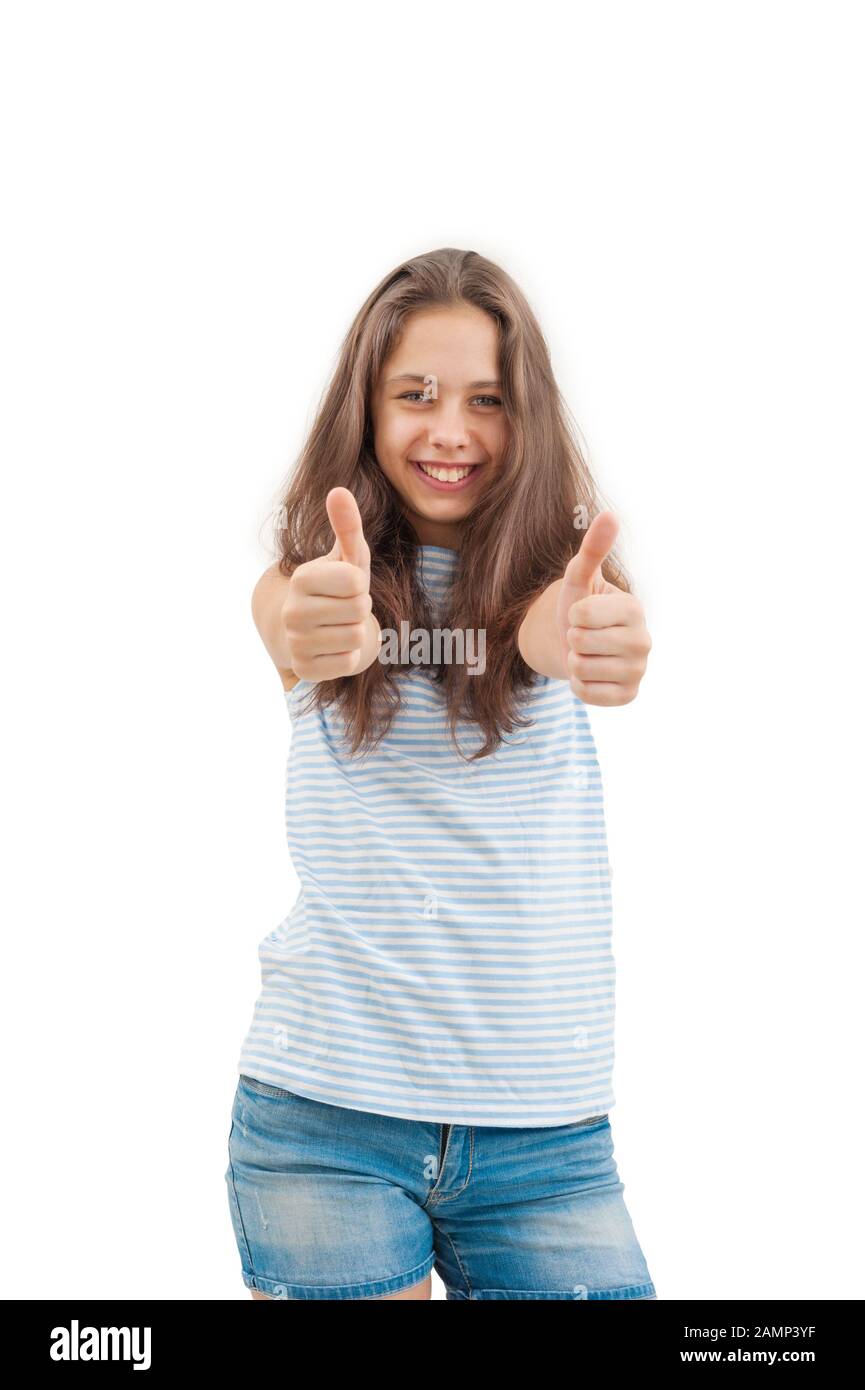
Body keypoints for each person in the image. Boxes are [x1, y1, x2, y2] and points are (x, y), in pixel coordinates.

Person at [224, 247, 655, 1300]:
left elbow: (558, 633)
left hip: (545, 1137)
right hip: (325, 1118)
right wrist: (326, 615)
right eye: (414, 395)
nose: (450, 430)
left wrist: (600, 634)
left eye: (486, 401)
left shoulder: (564, 579)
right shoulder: (301, 581)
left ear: (528, 417)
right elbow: (302, 624)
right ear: (365, 409)